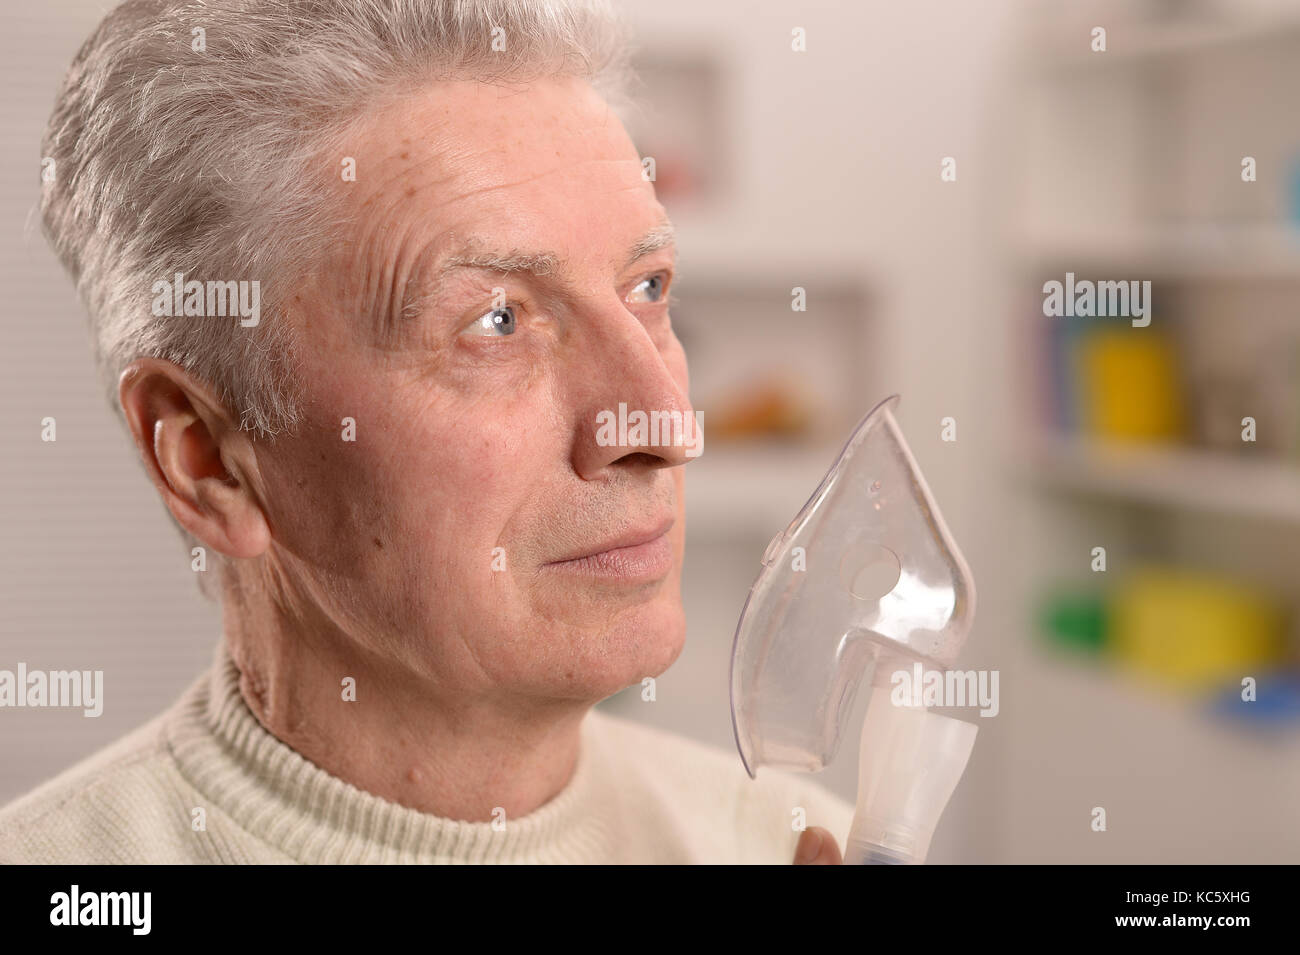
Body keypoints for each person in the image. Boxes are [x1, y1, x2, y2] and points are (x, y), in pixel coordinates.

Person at [0, 0, 852, 864]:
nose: (665, 423)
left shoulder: (799, 843)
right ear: (208, 458)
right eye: (497, 320)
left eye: (649, 288)